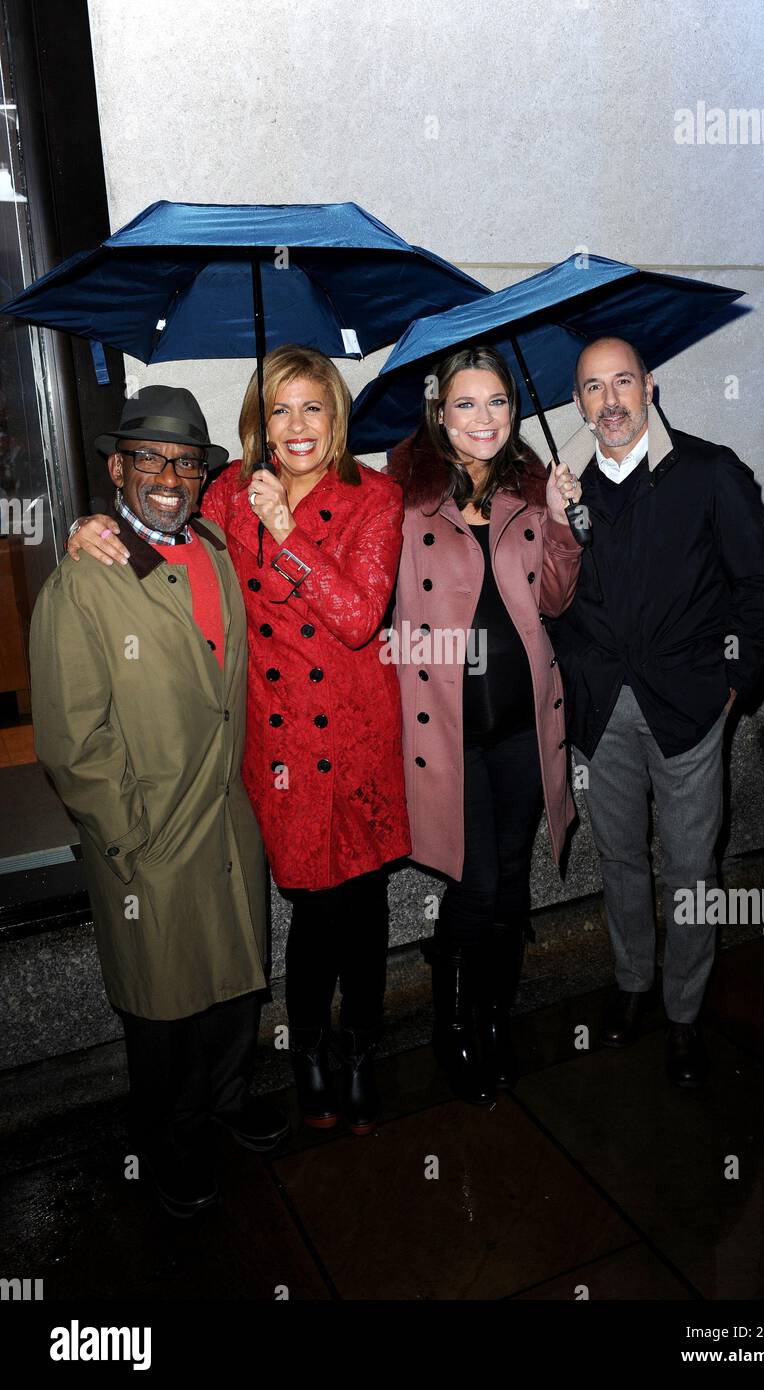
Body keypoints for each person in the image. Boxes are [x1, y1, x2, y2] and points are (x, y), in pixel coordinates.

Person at [67, 349, 410, 1136]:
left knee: (363, 909)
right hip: (278, 747)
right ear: (260, 420)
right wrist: (92, 526)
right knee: (312, 915)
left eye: (313, 408)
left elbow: (359, 618)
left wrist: (286, 531)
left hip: (355, 739)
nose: (297, 426)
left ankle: (357, 1052)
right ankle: (308, 1058)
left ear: (336, 417)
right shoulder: (224, 490)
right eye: (280, 409)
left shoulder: (376, 497)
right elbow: (160, 539)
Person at [30, 386, 289, 1219]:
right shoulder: (84, 583)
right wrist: (131, 834)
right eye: (150, 459)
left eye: (185, 461)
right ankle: (170, 1137)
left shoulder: (214, 546)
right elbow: (74, 743)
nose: (169, 476)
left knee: (235, 982)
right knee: (163, 1006)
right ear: (117, 469)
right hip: (147, 837)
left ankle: (227, 1099)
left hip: (225, 815)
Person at [550, 337, 764, 1087]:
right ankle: (632, 985)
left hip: (689, 708)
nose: (610, 401)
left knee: (689, 868)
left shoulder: (710, 473)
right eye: (593, 388)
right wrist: (558, 523)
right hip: (603, 713)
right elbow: (552, 604)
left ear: (650, 388)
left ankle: (683, 1015)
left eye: (623, 382)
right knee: (619, 859)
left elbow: (762, 585)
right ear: (579, 403)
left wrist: (733, 685)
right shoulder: (570, 489)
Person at [385, 345, 582, 1104]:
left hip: (523, 728)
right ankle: (452, 1024)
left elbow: (557, 600)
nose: (484, 419)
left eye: (497, 401)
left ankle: (494, 1017)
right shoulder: (404, 499)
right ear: (439, 413)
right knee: (475, 890)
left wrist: (563, 522)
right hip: (449, 735)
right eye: (466, 404)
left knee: (509, 887)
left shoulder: (530, 493)